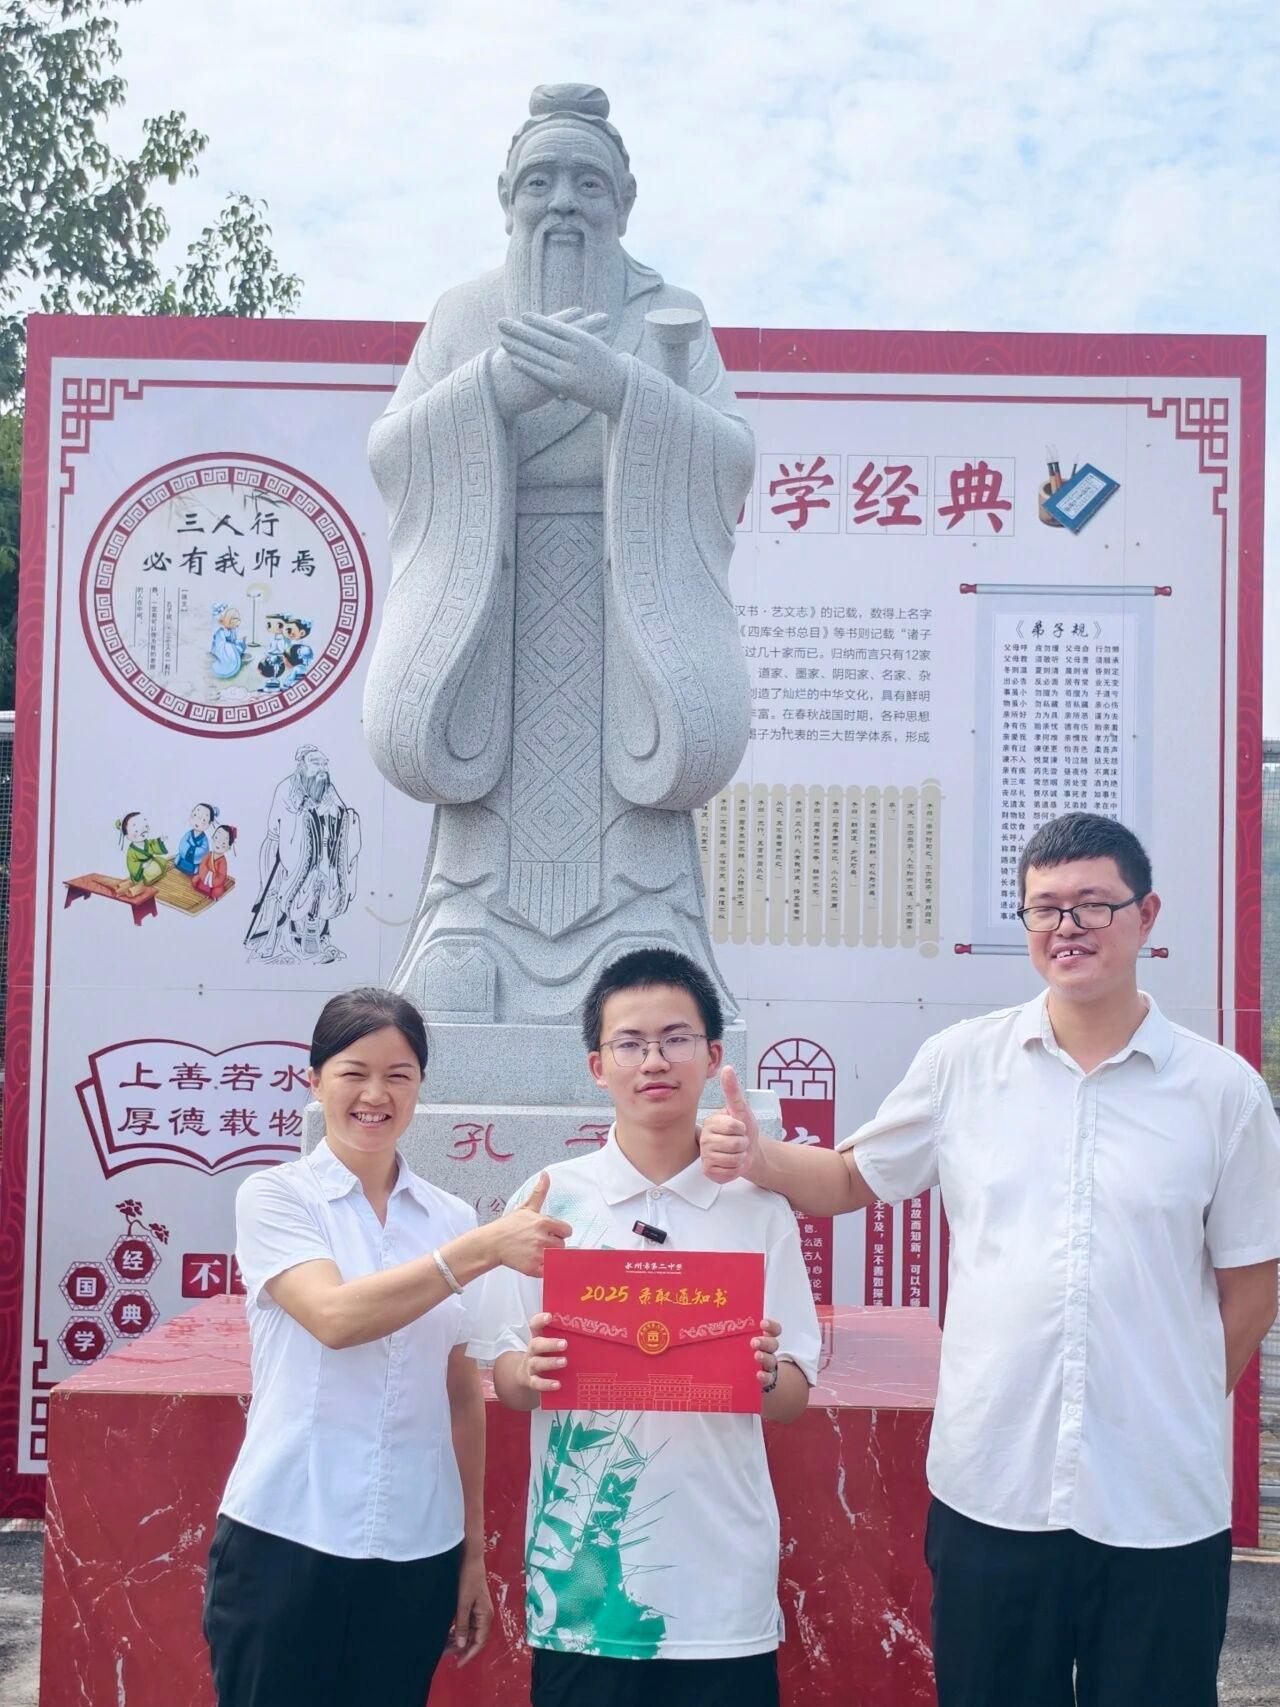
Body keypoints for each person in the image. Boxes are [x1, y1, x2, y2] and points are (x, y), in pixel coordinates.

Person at [699, 812, 1280, 1707]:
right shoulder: (963, 1063)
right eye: (1045, 907)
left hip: (1160, 1498)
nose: (1068, 926)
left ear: (1146, 914)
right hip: (995, 1485)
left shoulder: (1221, 1090)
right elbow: (851, 1177)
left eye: (1093, 903)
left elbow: (1251, 1284)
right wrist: (758, 1158)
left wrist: (1179, 1399)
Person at [362, 83, 753, 1033]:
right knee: (486, 800)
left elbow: (730, 454)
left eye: (589, 182)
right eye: (541, 182)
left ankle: (643, 934)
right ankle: (467, 933)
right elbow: (394, 450)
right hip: (494, 597)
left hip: (627, 603)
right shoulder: (466, 314)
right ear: (507, 198)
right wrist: (493, 389)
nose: (565, 203)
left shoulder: (671, 313)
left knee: (633, 807)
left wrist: (621, 388)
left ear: (625, 199)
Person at [203, 986, 573, 1707]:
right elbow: (334, 1317)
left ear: (419, 1087)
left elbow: (461, 1395)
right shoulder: (276, 1196)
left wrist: (471, 1554)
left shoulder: (448, 1216)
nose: (376, 1095)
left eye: (398, 1075)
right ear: (315, 1081)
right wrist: (479, 1250)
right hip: (286, 1536)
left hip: (416, 1549)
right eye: (354, 1072)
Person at [471, 948, 819, 1707]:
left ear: (713, 1056)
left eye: (675, 1038)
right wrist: (529, 1369)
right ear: (598, 1067)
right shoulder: (551, 1200)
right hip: (580, 1597)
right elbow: (507, 1378)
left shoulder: (759, 1209)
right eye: (629, 1043)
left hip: (722, 1589)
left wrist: (764, 1373)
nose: (653, 1060)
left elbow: (793, 1394)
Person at [243, 744, 360, 964]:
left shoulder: (328, 788)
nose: (322, 768)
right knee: (279, 896)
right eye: (315, 763)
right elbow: (285, 822)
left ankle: (315, 943)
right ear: (302, 765)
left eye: (324, 763)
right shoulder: (287, 788)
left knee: (318, 895)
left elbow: (342, 813)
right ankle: (273, 945)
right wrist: (314, 813)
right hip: (283, 852)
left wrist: (333, 813)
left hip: (319, 855)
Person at [117, 809, 169, 886]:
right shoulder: (131, 851)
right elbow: (131, 863)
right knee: (149, 873)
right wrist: (141, 865)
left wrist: (160, 840)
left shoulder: (147, 842)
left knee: (163, 862)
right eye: (135, 827)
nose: (142, 828)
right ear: (127, 836)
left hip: (151, 862)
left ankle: (156, 874)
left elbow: (153, 844)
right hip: (141, 869)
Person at [193, 822, 236, 901]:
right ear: (212, 838)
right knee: (195, 879)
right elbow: (202, 865)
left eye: (223, 843)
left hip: (214, 883)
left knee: (217, 892)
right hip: (204, 878)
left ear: (229, 847)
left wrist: (212, 881)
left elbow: (221, 876)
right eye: (216, 838)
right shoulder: (208, 855)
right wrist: (204, 876)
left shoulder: (222, 862)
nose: (218, 843)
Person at [175, 802, 218, 877]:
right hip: (184, 857)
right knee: (178, 860)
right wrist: (189, 849)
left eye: (203, 820)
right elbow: (183, 843)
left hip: (194, 862)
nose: (198, 821)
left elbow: (204, 850)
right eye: (195, 816)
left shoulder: (204, 839)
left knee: (196, 868)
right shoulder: (189, 834)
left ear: (209, 823)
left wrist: (192, 850)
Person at [209, 604, 246, 680]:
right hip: (222, 648)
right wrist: (232, 646)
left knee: (240, 645)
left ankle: (236, 651)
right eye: (235, 625)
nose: (236, 627)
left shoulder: (231, 630)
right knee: (235, 648)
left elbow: (233, 641)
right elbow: (220, 645)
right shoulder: (221, 632)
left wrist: (239, 642)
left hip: (230, 646)